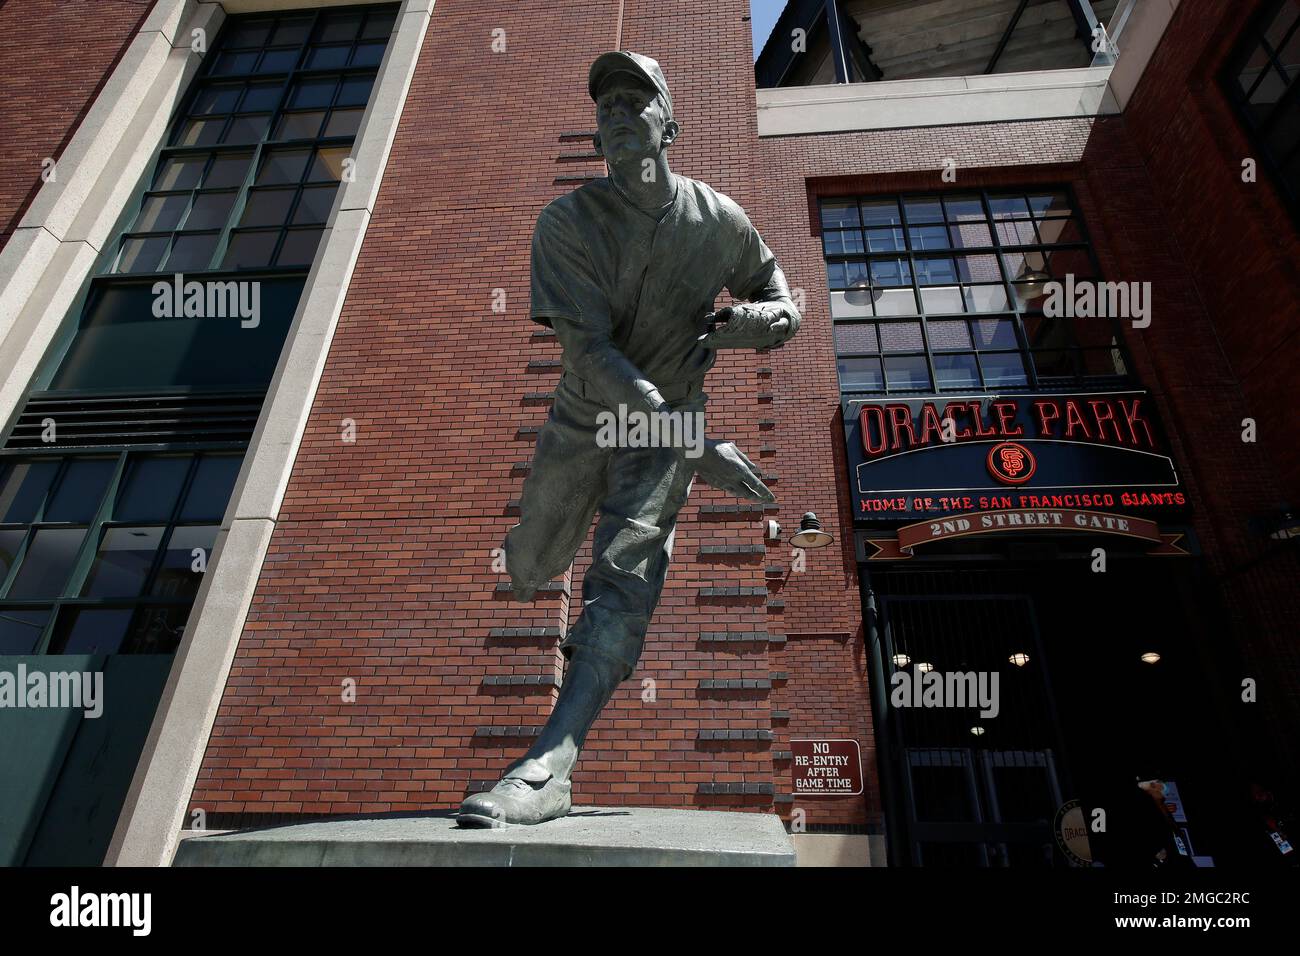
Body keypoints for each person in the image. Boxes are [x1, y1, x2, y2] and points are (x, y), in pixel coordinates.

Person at [457, 52, 800, 827]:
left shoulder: (720, 220)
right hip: (589, 415)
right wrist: (697, 442)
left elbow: (783, 303)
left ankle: (548, 767)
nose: (615, 113)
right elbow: (589, 353)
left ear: (668, 125)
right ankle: (545, 578)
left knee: (623, 577)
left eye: (633, 101)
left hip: (659, 434)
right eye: (605, 104)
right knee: (533, 562)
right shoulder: (568, 223)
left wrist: (758, 323)